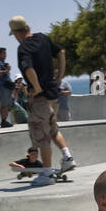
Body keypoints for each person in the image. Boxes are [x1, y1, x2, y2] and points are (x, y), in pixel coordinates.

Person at [11, 14, 74, 184]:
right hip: (53, 94)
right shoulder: (43, 38)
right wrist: (59, 76)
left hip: (39, 98)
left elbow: (28, 68)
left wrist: (36, 87)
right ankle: (67, 156)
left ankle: (46, 174)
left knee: (41, 135)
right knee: (53, 129)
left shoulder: (23, 48)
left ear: (16, 33)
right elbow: (61, 52)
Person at [0, 47, 16, 127]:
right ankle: (3, 121)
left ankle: (4, 120)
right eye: (4, 53)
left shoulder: (2, 62)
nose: (5, 55)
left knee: (7, 104)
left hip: (6, 87)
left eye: (5, 53)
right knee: (4, 104)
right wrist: (7, 70)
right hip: (2, 87)